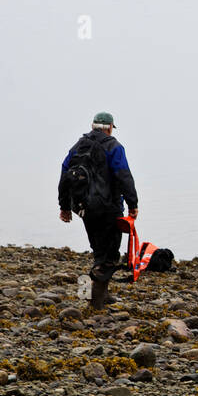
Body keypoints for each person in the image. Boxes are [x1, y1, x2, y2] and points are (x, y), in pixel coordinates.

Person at [58, 112, 139, 308]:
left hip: (84, 207)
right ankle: (94, 301)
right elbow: (123, 176)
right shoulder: (114, 147)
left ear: (92, 126)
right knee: (109, 255)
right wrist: (133, 204)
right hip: (108, 207)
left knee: (98, 249)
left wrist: (65, 207)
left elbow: (65, 176)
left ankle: (96, 293)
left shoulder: (78, 146)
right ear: (110, 127)